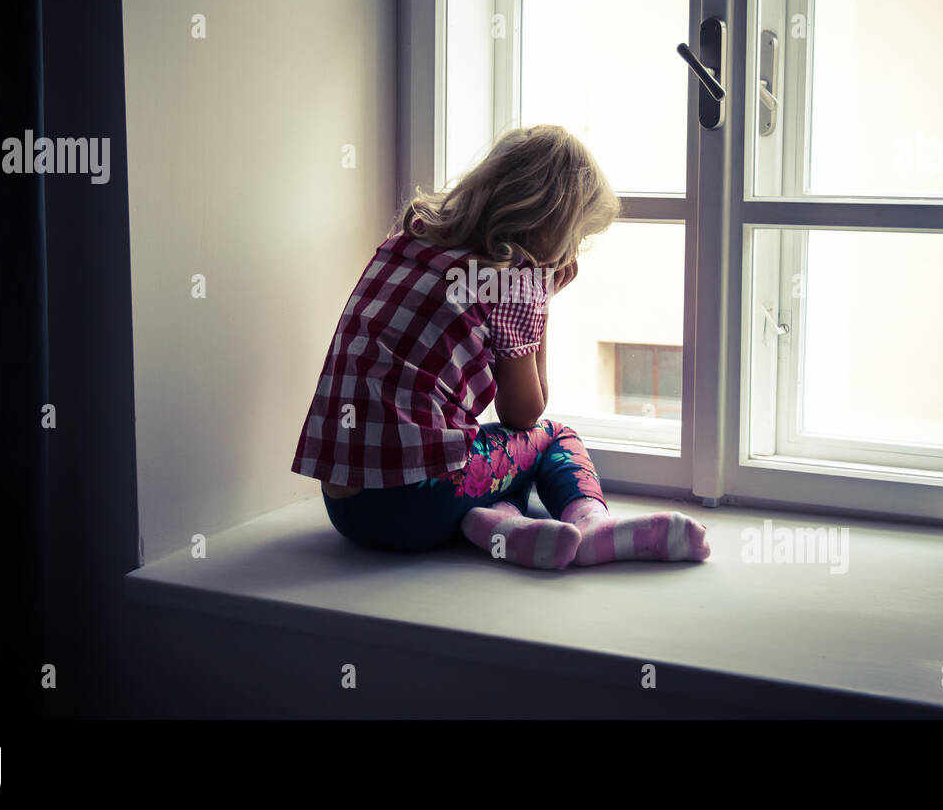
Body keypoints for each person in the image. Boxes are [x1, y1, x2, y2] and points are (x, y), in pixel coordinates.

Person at [292, 124, 710, 569]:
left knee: (492, 453)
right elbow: (524, 413)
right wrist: (541, 302)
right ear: (555, 227)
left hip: (348, 508)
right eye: (579, 237)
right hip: (414, 507)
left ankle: (502, 528)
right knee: (551, 439)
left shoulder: (404, 244)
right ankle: (590, 523)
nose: (576, 251)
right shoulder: (511, 280)